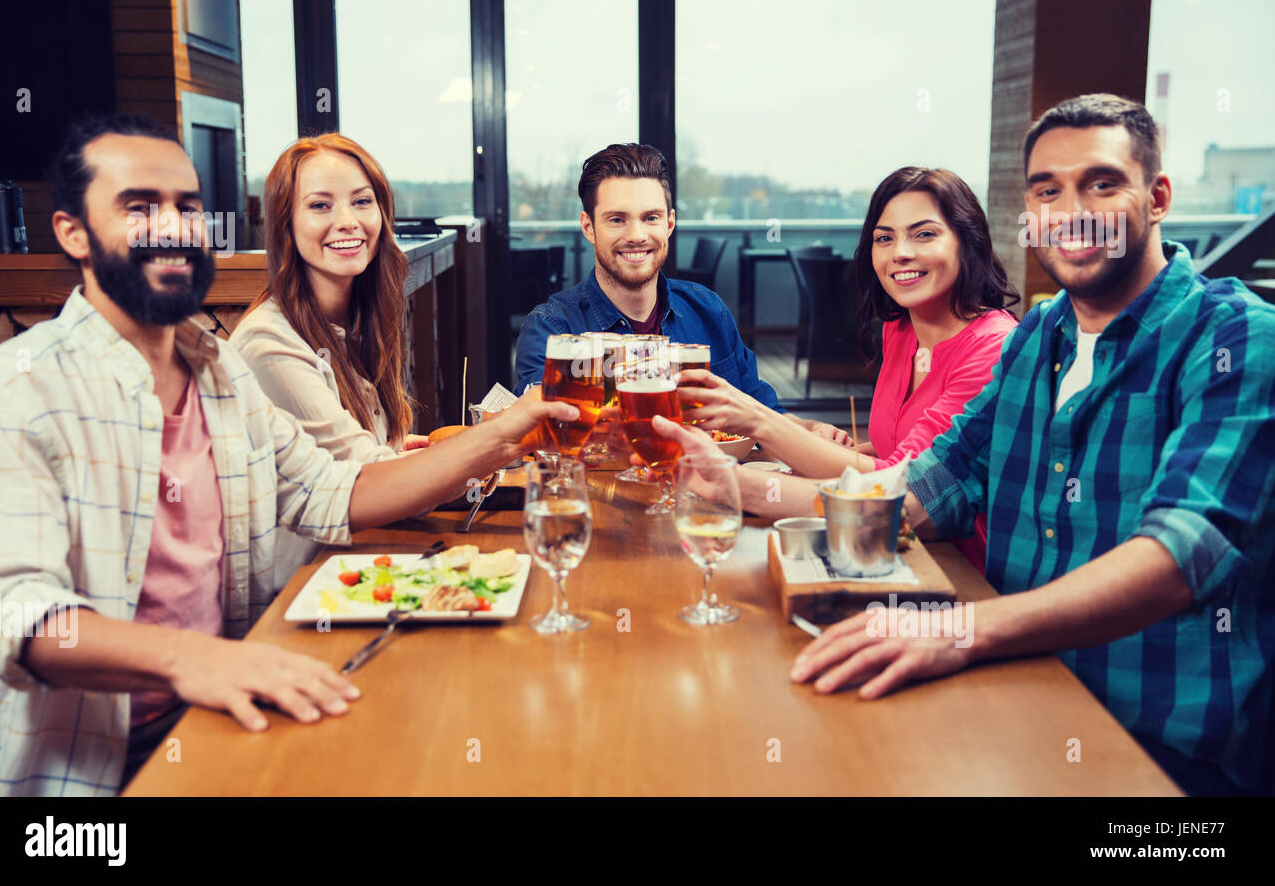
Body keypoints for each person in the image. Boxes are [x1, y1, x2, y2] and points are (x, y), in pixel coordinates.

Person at [655, 94, 1275, 795]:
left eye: (1101, 184)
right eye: (1048, 190)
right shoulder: (1041, 335)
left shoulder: (1236, 338)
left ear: (1158, 196)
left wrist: (960, 630)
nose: (1071, 209)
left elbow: (1179, 554)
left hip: (1164, 751)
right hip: (1015, 690)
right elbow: (923, 490)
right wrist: (735, 487)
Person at [0, 113, 577, 796]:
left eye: (187, 207)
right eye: (139, 208)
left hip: (226, 709)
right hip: (85, 775)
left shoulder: (219, 373)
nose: (172, 227)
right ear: (72, 233)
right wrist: (194, 660)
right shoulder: (8, 390)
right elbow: (7, 611)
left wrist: (508, 433)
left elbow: (335, 491)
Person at [676, 167, 1018, 570]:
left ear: (968, 241)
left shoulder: (995, 347)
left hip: (956, 568)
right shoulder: (901, 328)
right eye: (884, 238)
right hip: (878, 550)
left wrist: (758, 423)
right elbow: (908, 450)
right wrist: (828, 449)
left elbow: (901, 486)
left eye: (924, 234)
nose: (900, 252)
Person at [514, 142, 841, 439]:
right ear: (589, 227)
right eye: (617, 220)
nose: (637, 235)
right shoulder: (552, 328)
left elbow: (760, 408)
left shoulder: (709, 309)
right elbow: (542, 439)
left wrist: (808, 430)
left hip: (714, 494)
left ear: (669, 223)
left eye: (650, 217)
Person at [229, 134, 430, 591]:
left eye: (362, 201)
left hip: (356, 568)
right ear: (284, 224)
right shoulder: (268, 343)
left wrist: (404, 455)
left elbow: (366, 459)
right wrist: (489, 446)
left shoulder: (360, 319)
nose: (348, 221)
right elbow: (365, 479)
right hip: (298, 594)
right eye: (320, 206)